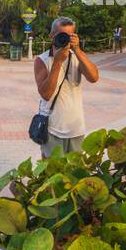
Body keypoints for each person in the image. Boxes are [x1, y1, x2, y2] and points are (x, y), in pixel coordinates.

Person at [33, 16, 99, 158]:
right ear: (51, 36)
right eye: (61, 35)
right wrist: (57, 62)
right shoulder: (42, 60)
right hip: (52, 131)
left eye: (69, 35)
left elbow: (94, 78)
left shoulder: (77, 56)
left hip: (76, 128)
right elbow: (46, 94)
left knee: (75, 177)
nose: (64, 39)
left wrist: (78, 50)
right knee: (52, 176)